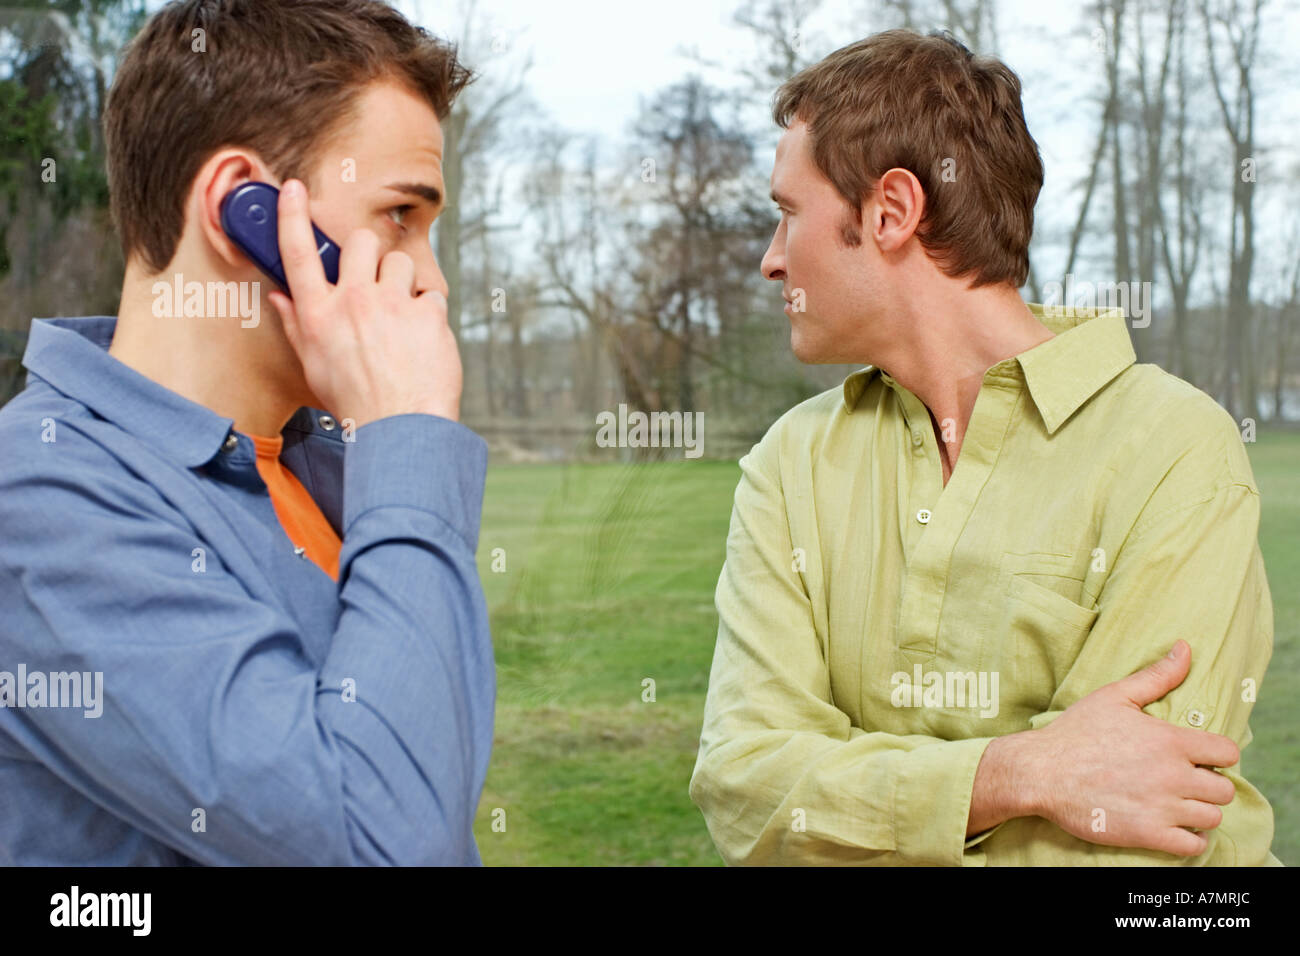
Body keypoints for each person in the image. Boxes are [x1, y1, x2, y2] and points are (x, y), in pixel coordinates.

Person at [689, 29, 1279, 865]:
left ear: (890, 212)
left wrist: (864, 802)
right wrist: (1018, 773)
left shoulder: (1175, 451)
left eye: (788, 215)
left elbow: (1123, 847)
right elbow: (746, 783)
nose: (770, 261)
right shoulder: (791, 464)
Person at [0, 0, 493, 865]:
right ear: (242, 211)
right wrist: (408, 430)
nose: (432, 283)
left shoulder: (333, 468)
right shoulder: (37, 498)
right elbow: (381, 845)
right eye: (401, 219)